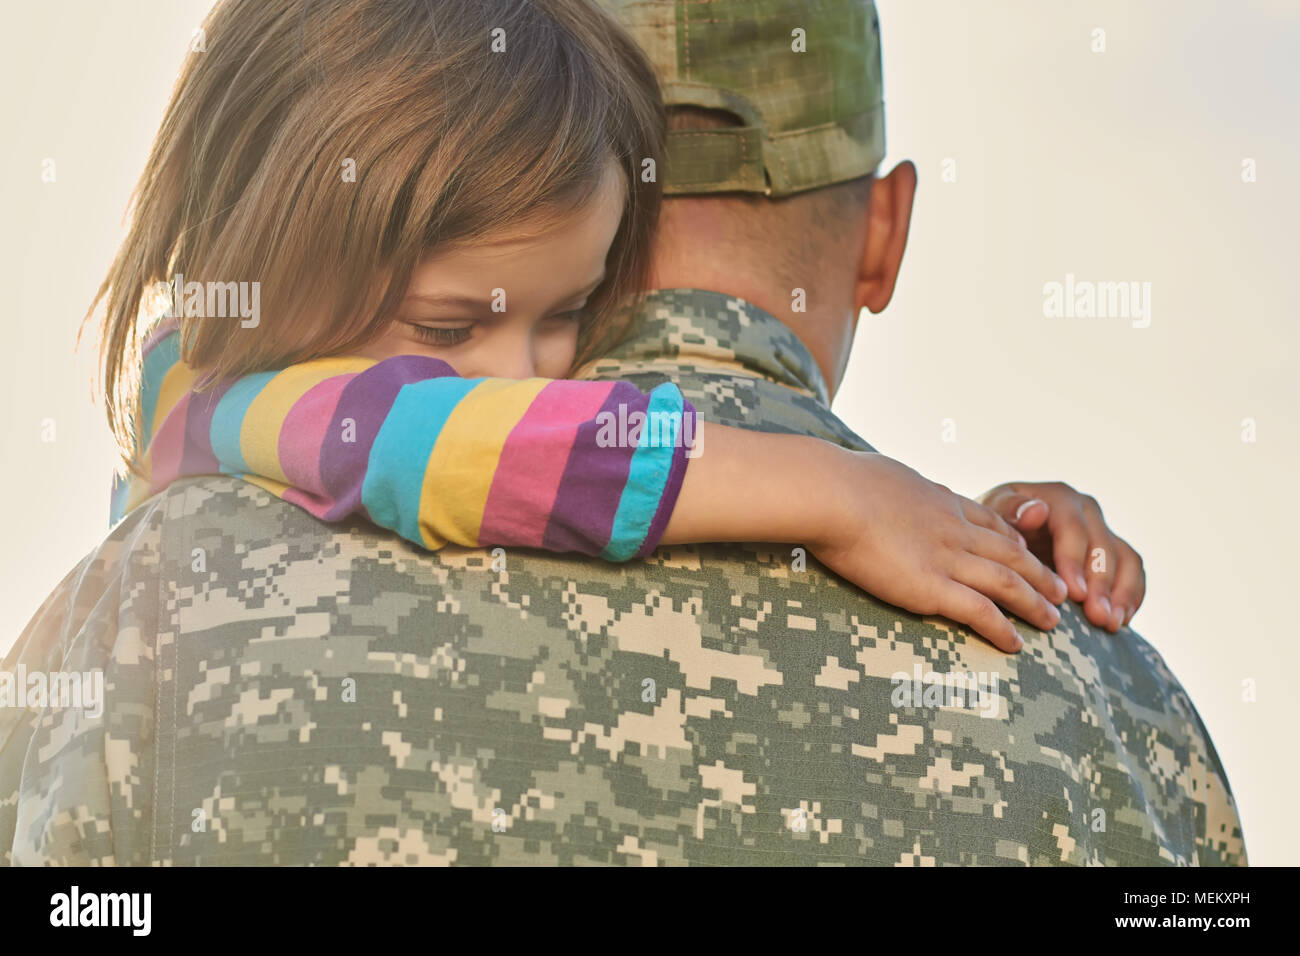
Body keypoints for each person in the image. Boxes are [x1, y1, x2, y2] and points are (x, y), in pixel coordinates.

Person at [0, 0, 1245, 865]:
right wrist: (849, 495)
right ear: (885, 231)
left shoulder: (144, 603)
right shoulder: (1107, 696)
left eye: (559, 318)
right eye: (452, 327)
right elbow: (489, 452)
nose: (516, 379)